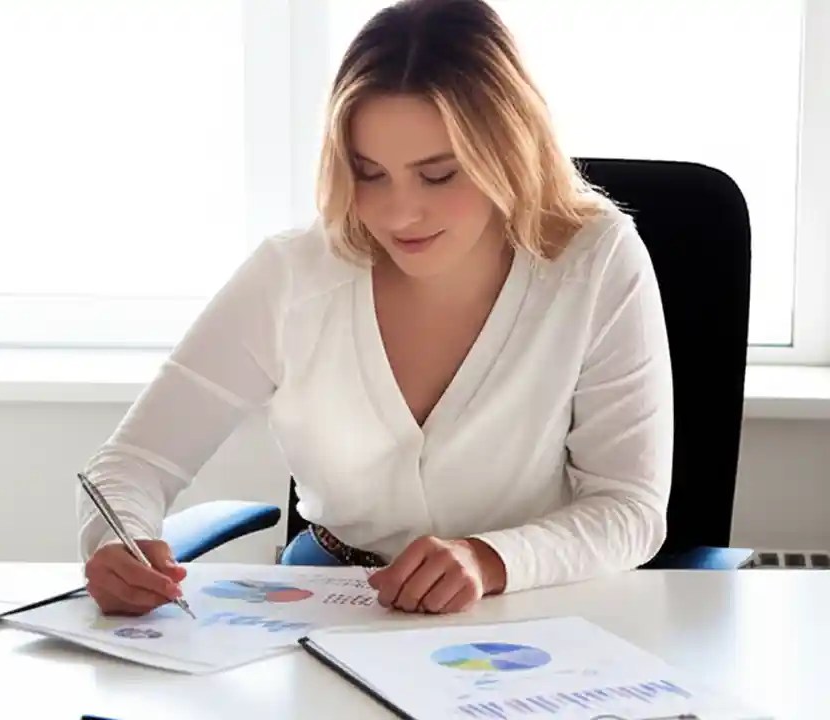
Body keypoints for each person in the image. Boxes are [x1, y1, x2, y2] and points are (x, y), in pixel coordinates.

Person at [77, 0, 673, 617]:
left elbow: (629, 509)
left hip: (527, 609)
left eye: (438, 175)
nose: (399, 213)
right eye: (369, 173)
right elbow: (132, 463)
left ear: (510, 153)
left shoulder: (594, 258)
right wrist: (119, 542)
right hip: (332, 605)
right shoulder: (291, 276)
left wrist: (490, 559)